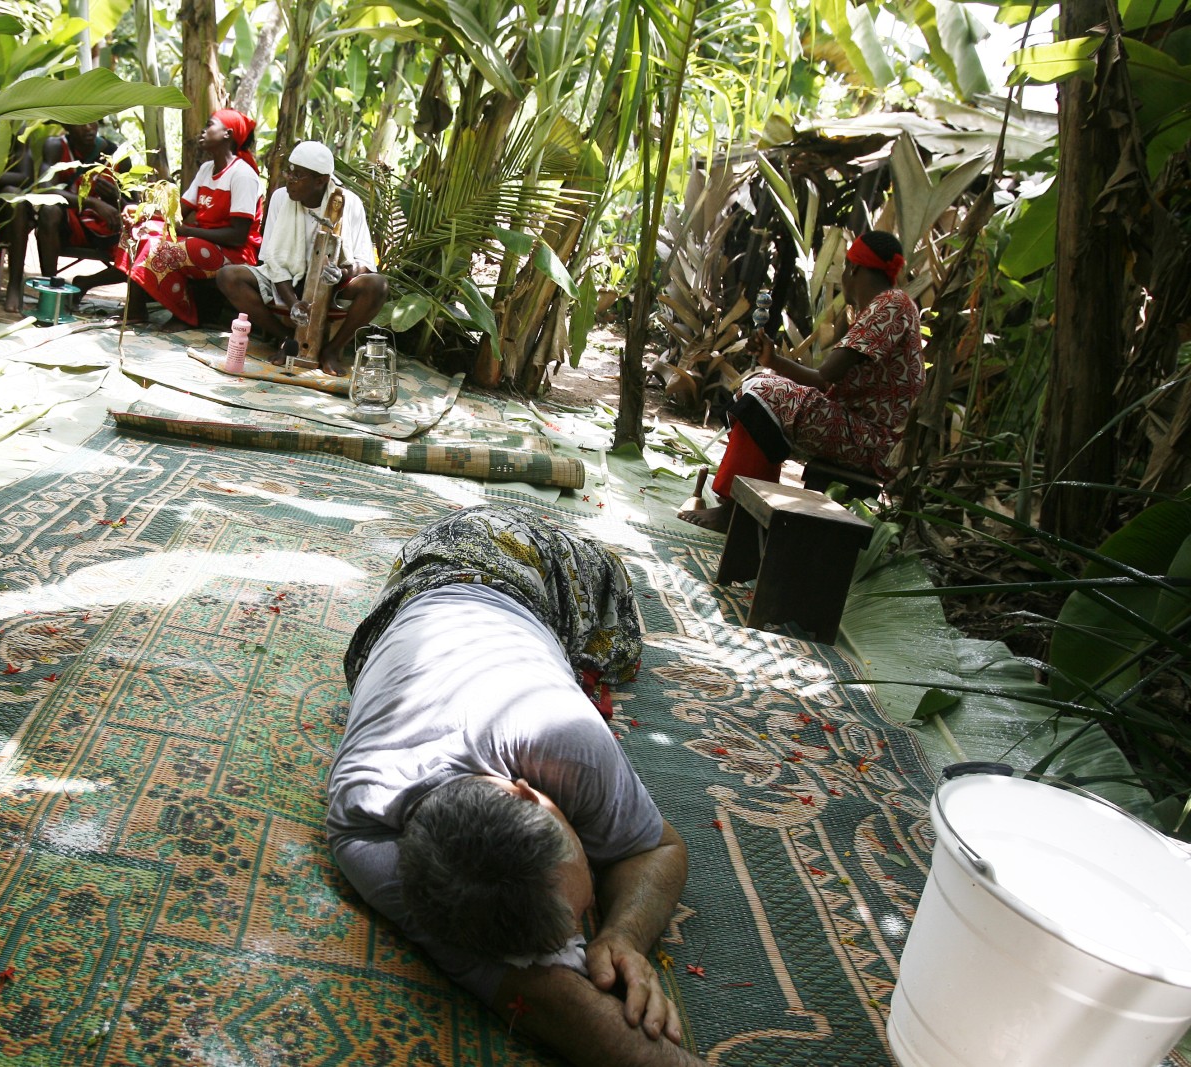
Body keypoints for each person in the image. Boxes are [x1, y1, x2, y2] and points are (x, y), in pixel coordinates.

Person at [328, 506, 701, 1067]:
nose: (581, 935)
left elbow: (659, 848)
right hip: (410, 596)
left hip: (519, 559)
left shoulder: (560, 735)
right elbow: (540, 995)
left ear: (526, 792)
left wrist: (622, 936)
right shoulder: (363, 829)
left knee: (617, 624)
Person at [680, 230, 923, 532]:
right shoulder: (890, 305)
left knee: (763, 390)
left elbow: (825, 377)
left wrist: (775, 365)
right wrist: (773, 363)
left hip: (874, 443)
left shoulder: (891, 304)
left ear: (854, 268)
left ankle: (738, 512)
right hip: (864, 434)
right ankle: (741, 504)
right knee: (760, 386)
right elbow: (826, 384)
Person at [216, 141, 388, 376]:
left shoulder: (348, 203)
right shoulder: (279, 198)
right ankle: (287, 340)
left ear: (320, 181)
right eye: (289, 171)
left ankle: (331, 350)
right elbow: (272, 259)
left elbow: (364, 263)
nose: (290, 179)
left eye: (298, 175)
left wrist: (341, 274)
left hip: (333, 282)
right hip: (287, 278)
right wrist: (292, 302)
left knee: (378, 285)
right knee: (228, 276)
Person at [80, 109, 264, 321]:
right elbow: (177, 212)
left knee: (167, 248)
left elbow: (238, 236)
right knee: (139, 231)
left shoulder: (242, 175)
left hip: (235, 254)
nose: (202, 131)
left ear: (227, 134)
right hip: (204, 241)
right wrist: (141, 212)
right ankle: (136, 308)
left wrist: (187, 230)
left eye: (210, 125)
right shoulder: (206, 169)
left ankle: (184, 315)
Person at [27, 121, 127, 287]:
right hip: (69, 224)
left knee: (141, 246)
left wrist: (115, 198)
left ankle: (86, 283)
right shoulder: (56, 146)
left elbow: (132, 205)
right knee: (49, 210)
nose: (88, 127)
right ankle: (51, 288)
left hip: (105, 225)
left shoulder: (116, 155)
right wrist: (93, 203)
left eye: (92, 121)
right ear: (67, 126)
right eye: (81, 122)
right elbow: (46, 190)